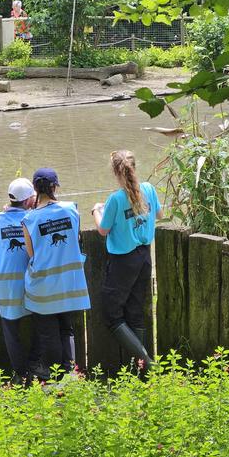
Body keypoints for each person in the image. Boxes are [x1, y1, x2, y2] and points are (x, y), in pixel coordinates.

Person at [92, 151, 163, 373]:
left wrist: (96, 210)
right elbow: (159, 215)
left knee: (112, 315)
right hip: (144, 256)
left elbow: (103, 230)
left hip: (124, 261)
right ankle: (141, 372)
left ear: (116, 172)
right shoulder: (149, 189)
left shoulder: (115, 199)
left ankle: (148, 366)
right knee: (135, 311)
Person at [21, 168, 90, 381]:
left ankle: (55, 379)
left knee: (48, 332)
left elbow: (31, 253)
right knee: (66, 329)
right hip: (69, 284)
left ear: (35, 189)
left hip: (43, 286)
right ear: (54, 187)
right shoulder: (72, 210)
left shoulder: (29, 219)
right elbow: (75, 238)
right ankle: (69, 375)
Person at [0, 178, 38, 383]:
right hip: (29, 279)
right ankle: (37, 366)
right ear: (29, 200)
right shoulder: (32, 217)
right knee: (41, 322)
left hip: (4, 282)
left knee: (11, 330)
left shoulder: (0, 219)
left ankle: (21, 373)